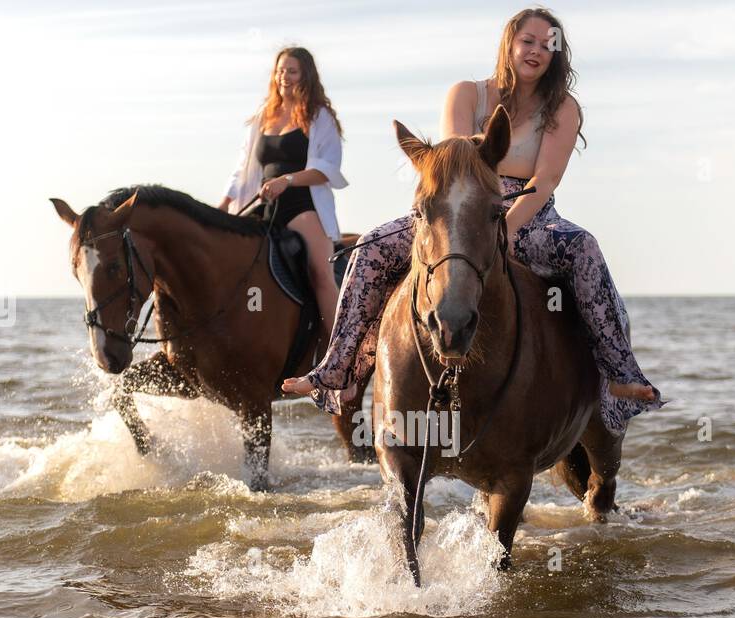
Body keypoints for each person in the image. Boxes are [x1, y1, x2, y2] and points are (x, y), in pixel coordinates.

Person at [282, 8, 662, 436]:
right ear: (509, 44)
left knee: (584, 247)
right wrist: (472, 221)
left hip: (525, 215)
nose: (537, 51)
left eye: (547, 45)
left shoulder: (563, 108)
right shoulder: (467, 94)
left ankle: (619, 373)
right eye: (528, 41)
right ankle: (338, 371)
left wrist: (506, 227)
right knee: (370, 246)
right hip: (455, 214)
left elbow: (544, 180)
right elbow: (455, 165)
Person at [220, 47, 347, 337]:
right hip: (261, 206)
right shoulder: (264, 116)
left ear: (305, 76)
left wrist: (286, 180)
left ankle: (340, 359)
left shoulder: (319, 116)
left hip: (301, 205)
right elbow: (243, 167)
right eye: (280, 70)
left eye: (292, 71)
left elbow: (327, 169)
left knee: (321, 275)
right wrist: (225, 201)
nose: (284, 77)